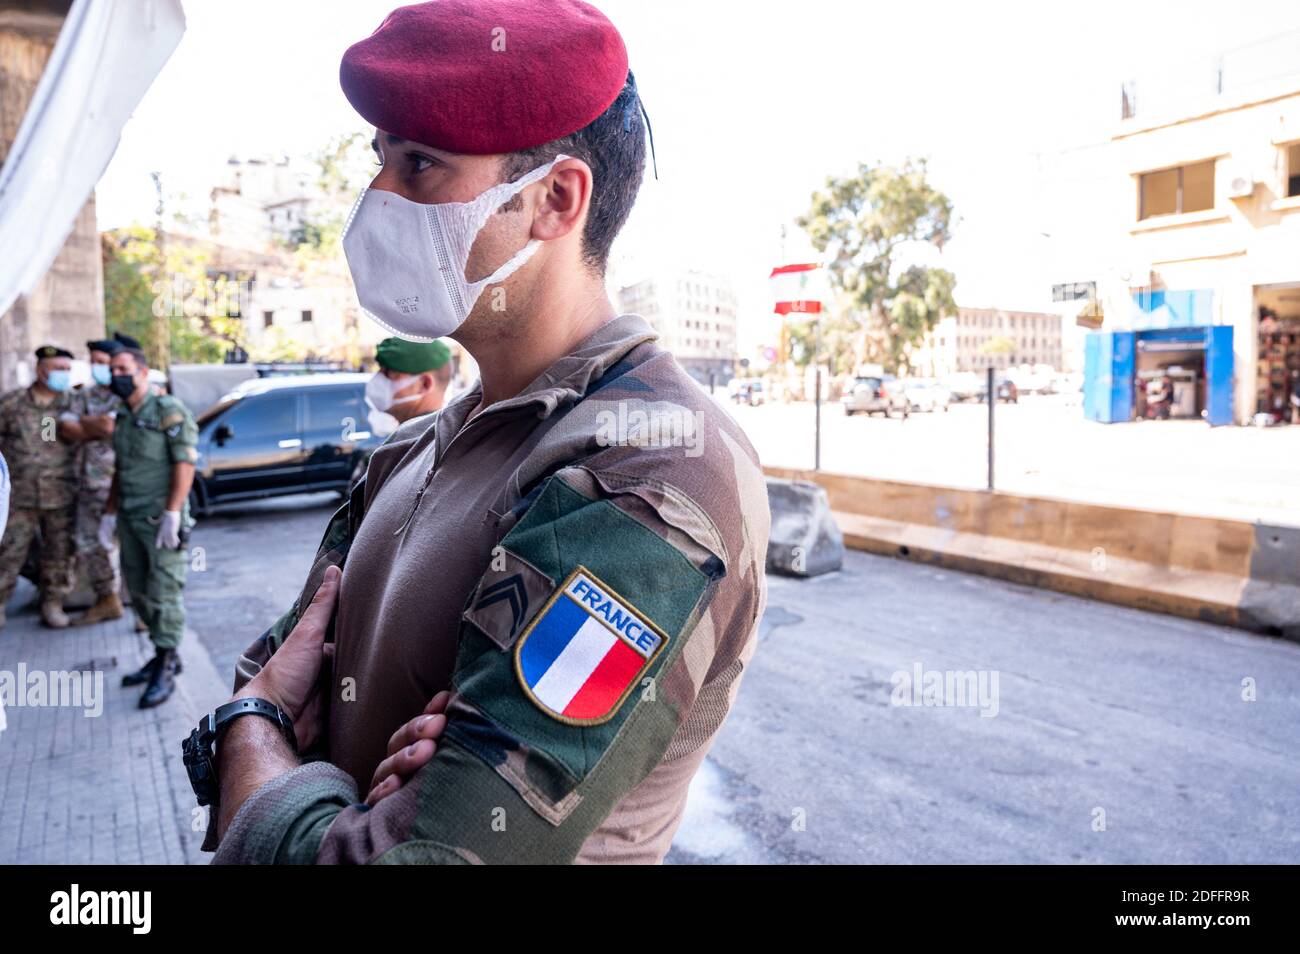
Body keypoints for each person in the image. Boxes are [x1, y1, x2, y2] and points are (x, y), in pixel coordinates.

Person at [199, 0, 769, 865]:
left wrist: (251, 741)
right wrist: (274, 728)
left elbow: (421, 856)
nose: (377, 197)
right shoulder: (413, 448)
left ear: (554, 200)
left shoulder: (651, 469)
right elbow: (274, 678)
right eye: (379, 160)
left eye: (421, 163)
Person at [102, 347, 197, 708]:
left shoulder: (167, 411)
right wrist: (109, 513)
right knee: (138, 591)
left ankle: (168, 663)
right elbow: (119, 469)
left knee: (163, 592)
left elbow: (184, 464)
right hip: (129, 517)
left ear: (142, 372)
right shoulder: (123, 415)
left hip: (160, 521)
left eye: (122, 368)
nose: (116, 375)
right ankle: (162, 654)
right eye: (112, 369)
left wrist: (173, 512)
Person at [0, 345, 78, 629]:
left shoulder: (73, 403)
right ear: (40, 370)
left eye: (67, 370)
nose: (63, 375)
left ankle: (52, 603)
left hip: (61, 493)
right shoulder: (11, 403)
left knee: (59, 553)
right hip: (20, 496)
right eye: (58, 369)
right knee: (8, 552)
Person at [57, 339, 126, 625]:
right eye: (93, 361)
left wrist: (88, 423)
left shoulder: (126, 394)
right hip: (88, 483)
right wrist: (95, 425)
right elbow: (65, 428)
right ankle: (107, 598)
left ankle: (148, 608)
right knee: (91, 542)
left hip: (121, 481)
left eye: (102, 362)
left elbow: (110, 427)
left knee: (133, 543)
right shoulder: (83, 394)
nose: (97, 367)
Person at [365, 336, 453, 437]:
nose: (378, 378)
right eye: (380, 369)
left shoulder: (435, 442)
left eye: (391, 371)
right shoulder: (408, 436)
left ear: (424, 384)